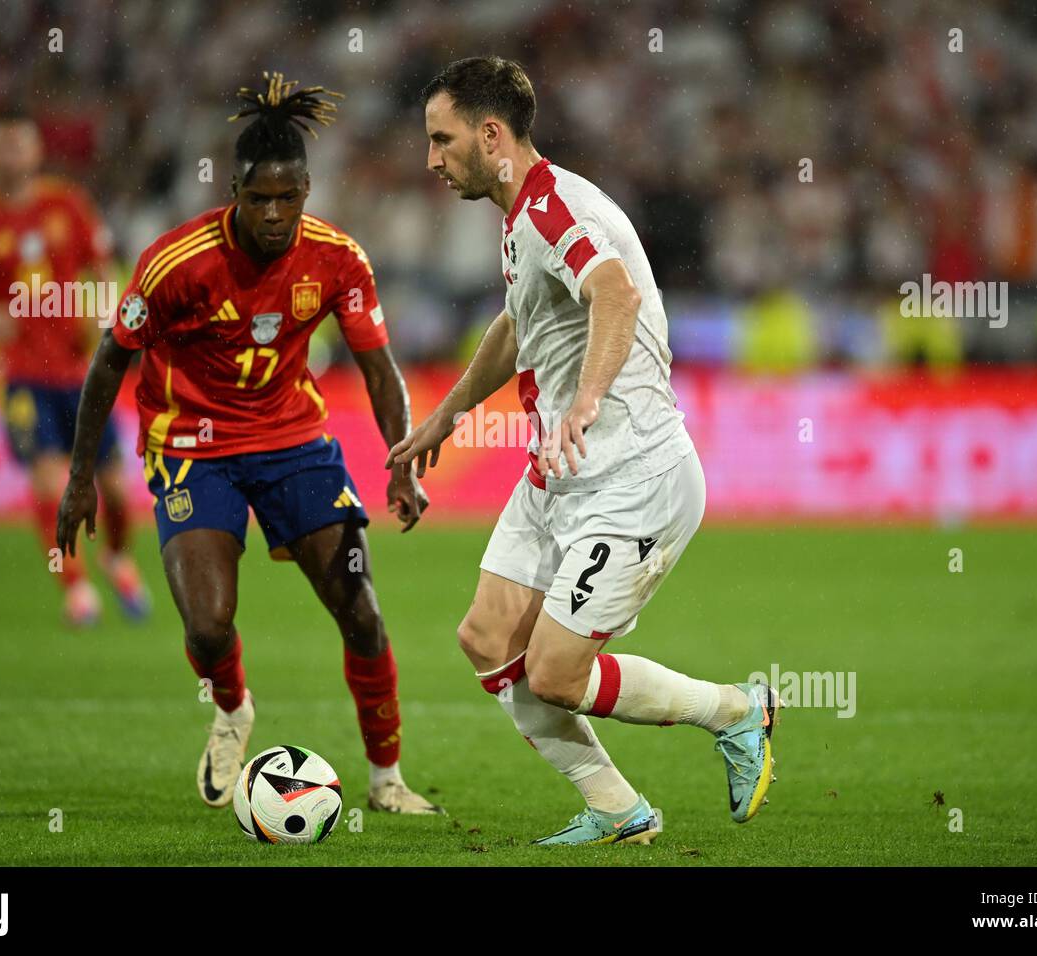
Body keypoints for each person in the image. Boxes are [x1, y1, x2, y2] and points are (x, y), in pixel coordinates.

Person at [388, 57, 779, 845]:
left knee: (556, 673)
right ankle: (616, 809)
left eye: (442, 138)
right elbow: (519, 323)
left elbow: (616, 293)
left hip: (632, 476)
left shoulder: (555, 209)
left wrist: (591, 396)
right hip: (561, 471)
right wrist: (451, 414)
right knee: (487, 637)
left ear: (490, 133)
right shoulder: (517, 210)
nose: (431, 159)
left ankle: (737, 711)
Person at [56, 74, 439, 814]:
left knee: (360, 609)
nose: (273, 214)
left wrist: (401, 464)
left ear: (306, 189)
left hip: (295, 441)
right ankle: (232, 708)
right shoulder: (176, 262)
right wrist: (81, 479)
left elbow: (379, 369)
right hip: (193, 447)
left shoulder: (338, 259)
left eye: (288, 197)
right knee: (207, 624)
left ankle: (388, 780)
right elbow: (109, 360)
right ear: (233, 189)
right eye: (258, 198)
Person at [0, 109, 148, 627]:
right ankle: (77, 588)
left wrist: (108, 319)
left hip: (80, 372)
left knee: (117, 489)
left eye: (20, 144)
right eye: (2, 145)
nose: (11, 154)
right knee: (47, 483)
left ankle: (117, 556)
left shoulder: (68, 205)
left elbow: (105, 268)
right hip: (20, 374)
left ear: (37, 152)